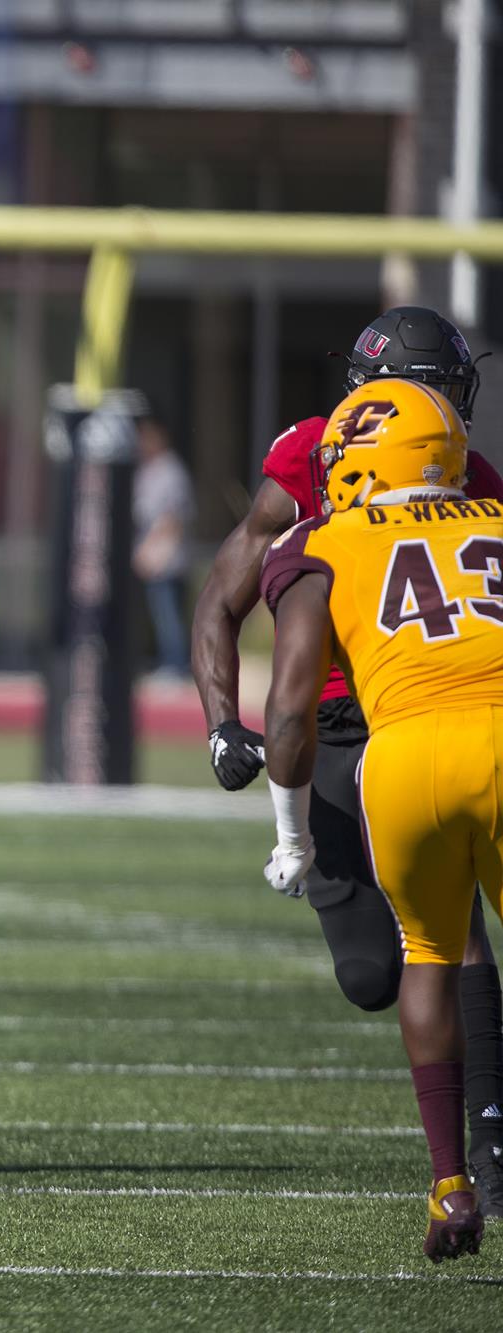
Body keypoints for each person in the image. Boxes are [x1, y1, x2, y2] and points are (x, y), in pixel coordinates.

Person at [190, 306, 503, 1215]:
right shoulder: (309, 470)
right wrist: (222, 722)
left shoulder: (467, 480)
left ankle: (482, 1148)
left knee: (452, 936)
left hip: (425, 709)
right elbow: (221, 598)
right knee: (373, 973)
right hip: (336, 725)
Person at [262, 377, 503, 1261]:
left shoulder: (318, 539)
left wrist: (291, 836)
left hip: (400, 759)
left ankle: (450, 1184)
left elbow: (288, 714)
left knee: (429, 956)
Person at [131, 416, 195, 677]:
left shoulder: (171, 471)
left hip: (166, 557)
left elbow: (173, 519)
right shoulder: (148, 470)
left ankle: (175, 665)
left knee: (169, 616)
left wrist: (150, 550)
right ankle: (166, 660)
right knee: (159, 615)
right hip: (149, 554)